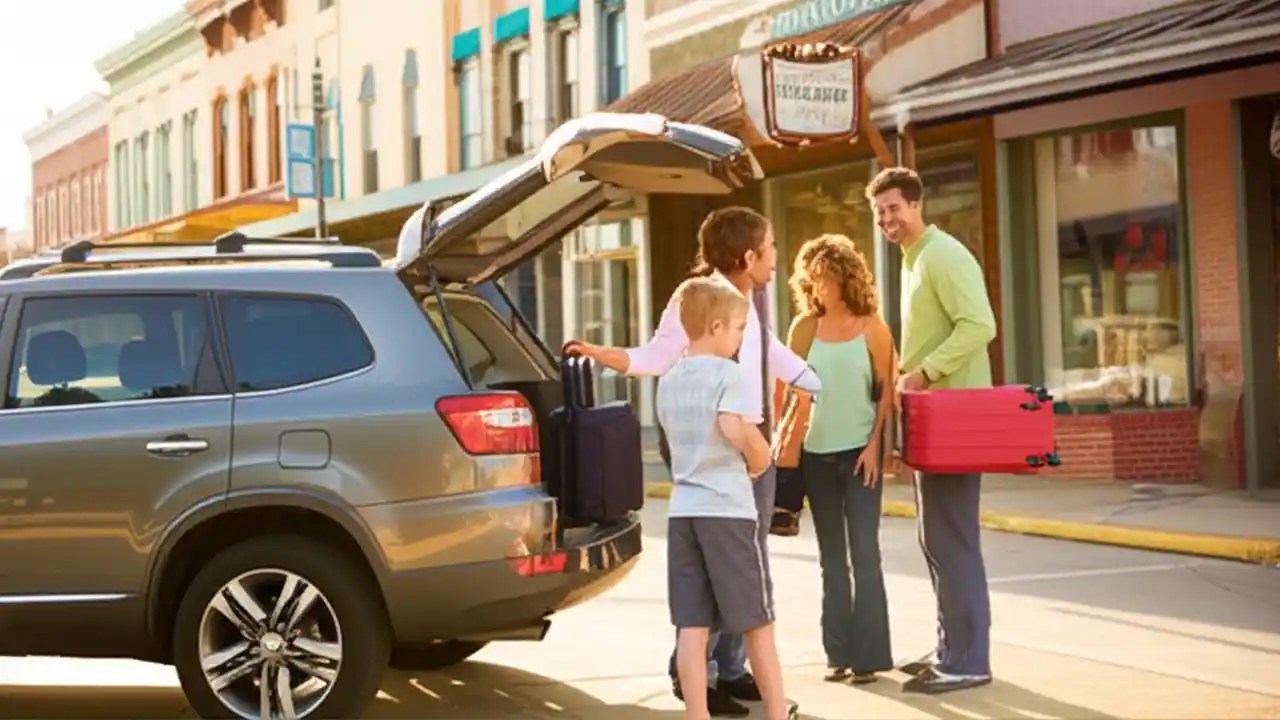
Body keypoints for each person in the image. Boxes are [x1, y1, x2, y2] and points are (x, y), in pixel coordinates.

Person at [566, 206, 820, 717]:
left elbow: (775, 355)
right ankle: (719, 685)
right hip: (731, 452)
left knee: (723, 584)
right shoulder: (696, 303)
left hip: (706, 473)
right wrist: (759, 456)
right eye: (770, 249)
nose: (775, 259)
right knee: (745, 587)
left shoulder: (753, 304)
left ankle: (725, 674)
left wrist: (819, 381)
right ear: (747, 256)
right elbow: (655, 356)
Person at [866, 167, 997, 694]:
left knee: (954, 538)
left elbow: (980, 324)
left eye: (894, 208)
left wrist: (925, 371)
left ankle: (969, 660)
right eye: (879, 213)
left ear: (917, 205)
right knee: (935, 537)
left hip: (956, 419)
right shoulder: (913, 261)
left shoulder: (944, 255)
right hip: (931, 419)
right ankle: (951, 648)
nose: (887, 220)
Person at [658, 276, 798, 720]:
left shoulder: (668, 379)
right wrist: (762, 460)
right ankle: (777, 713)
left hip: (684, 513)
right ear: (716, 326)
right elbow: (733, 427)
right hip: (727, 511)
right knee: (757, 622)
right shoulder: (729, 374)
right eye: (738, 328)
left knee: (692, 627)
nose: (740, 338)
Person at [784, 234, 896, 685]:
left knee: (865, 552)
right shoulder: (802, 329)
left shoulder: (874, 329)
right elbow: (791, 394)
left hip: (858, 455)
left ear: (843, 276)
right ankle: (839, 654)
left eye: (824, 275)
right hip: (816, 457)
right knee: (832, 557)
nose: (817, 285)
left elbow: (887, 392)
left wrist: (874, 447)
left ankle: (869, 656)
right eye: (810, 276)